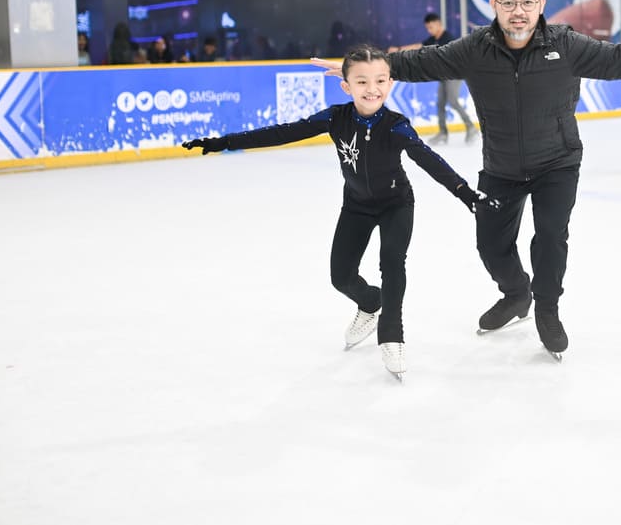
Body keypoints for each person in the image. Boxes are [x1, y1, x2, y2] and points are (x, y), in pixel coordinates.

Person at [314, 0, 621, 357]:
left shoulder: (566, 45)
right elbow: (420, 62)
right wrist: (362, 69)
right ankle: (517, 294)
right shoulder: (474, 50)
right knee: (490, 244)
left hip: (557, 161)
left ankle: (547, 310)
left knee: (550, 237)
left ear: (541, 4)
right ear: (494, 5)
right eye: (509, 2)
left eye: (528, 1)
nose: (519, 11)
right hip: (501, 166)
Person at [182, 45, 498, 379]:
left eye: (379, 80)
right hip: (357, 205)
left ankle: (391, 333)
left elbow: (429, 160)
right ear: (346, 86)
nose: (372, 89)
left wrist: (466, 194)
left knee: (392, 260)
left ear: (391, 83)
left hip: (396, 204)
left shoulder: (396, 126)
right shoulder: (336, 117)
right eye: (361, 82)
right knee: (340, 277)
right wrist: (224, 142)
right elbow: (283, 132)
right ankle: (370, 302)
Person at [390, 13, 477, 146]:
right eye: (428, 28)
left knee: (452, 101)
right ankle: (443, 133)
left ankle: (470, 127)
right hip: (444, 75)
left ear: (438, 24)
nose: (429, 30)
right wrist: (399, 50)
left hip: (455, 74)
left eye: (431, 27)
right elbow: (419, 46)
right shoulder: (433, 39)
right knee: (440, 103)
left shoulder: (447, 38)